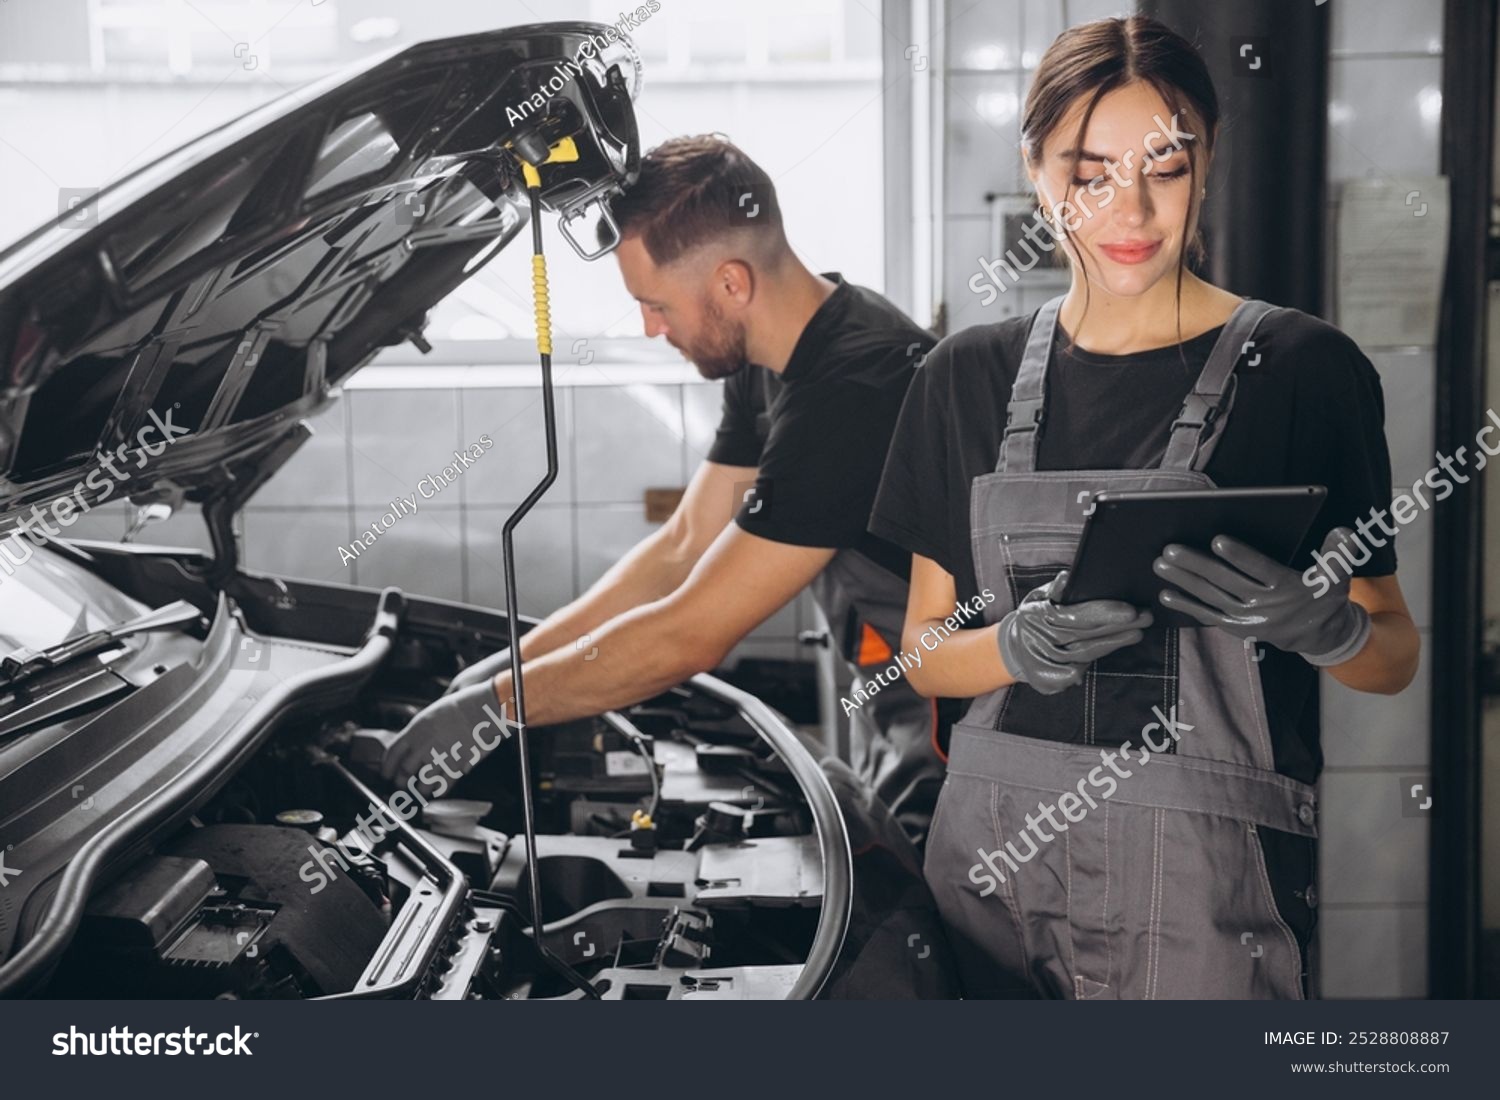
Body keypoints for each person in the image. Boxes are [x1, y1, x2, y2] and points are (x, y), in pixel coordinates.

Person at [869, 16, 1420, 999]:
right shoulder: (962, 378)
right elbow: (921, 649)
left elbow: (1393, 652)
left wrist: (1325, 626)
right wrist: (1011, 648)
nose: (1129, 209)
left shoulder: (1304, 370)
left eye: (1165, 167)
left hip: (1206, 900)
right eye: (1089, 173)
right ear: (1036, 171)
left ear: (1207, 161)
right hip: (990, 884)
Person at [380, 135, 948, 843]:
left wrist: (496, 708)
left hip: (960, 715)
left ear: (732, 284)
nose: (651, 328)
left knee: (930, 896)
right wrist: (508, 668)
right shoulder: (772, 354)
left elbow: (690, 633)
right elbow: (681, 547)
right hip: (892, 692)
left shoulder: (854, 388)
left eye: (656, 305)